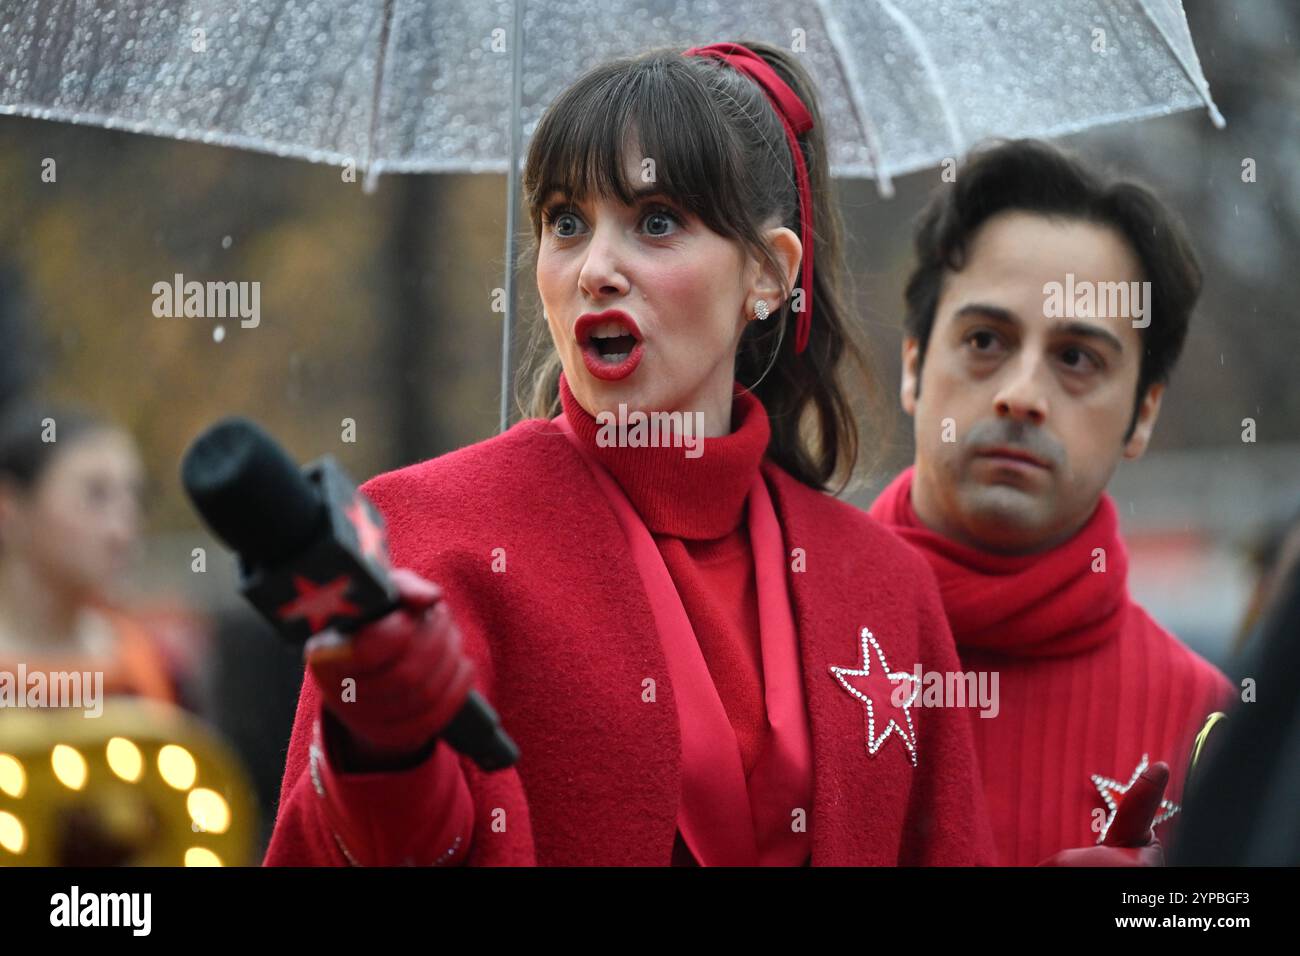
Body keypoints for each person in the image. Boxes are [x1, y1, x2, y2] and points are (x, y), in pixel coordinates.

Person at [264, 40, 995, 866]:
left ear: (769, 274)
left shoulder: (886, 586)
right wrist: (379, 756)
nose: (596, 269)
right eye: (565, 223)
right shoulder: (430, 533)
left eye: (656, 222)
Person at [868, 140, 1234, 865]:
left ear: (1145, 413)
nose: (1023, 395)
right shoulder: (773, 641)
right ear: (914, 366)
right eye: (984, 339)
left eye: (1076, 358)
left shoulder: (1214, 730)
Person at [0, 401, 174, 703]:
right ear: (9, 510)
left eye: (133, 498)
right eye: (95, 495)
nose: (122, 532)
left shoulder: (142, 666)